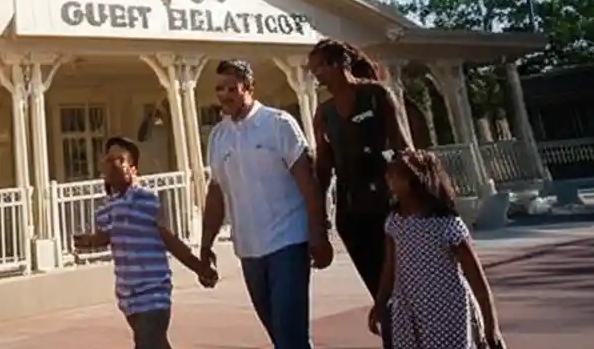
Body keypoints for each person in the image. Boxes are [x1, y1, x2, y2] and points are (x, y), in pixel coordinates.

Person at [199, 59, 332, 349]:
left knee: (289, 331)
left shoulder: (278, 124)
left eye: (231, 88)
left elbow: (307, 182)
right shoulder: (218, 137)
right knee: (278, 332)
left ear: (248, 88)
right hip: (249, 249)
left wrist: (319, 232)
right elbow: (216, 195)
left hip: (288, 240)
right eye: (219, 88)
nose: (224, 95)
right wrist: (205, 245)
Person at [308, 38, 413, 348]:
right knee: (379, 289)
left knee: (403, 284)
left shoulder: (376, 95)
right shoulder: (324, 113)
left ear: (339, 63)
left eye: (320, 67)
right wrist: (321, 223)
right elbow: (323, 169)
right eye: (313, 70)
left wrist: (416, 199)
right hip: (352, 213)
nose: (317, 76)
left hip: (388, 205)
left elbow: (404, 148)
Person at [74, 136, 217, 349]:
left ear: (133, 169)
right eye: (109, 159)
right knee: (155, 343)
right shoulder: (105, 209)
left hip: (154, 289)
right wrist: (89, 241)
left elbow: (169, 238)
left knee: (147, 341)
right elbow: (106, 236)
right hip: (128, 295)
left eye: (120, 159)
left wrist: (199, 267)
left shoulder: (147, 199)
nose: (113, 164)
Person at [371, 149, 504, 349]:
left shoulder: (445, 224)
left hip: (447, 310)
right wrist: (380, 303)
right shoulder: (395, 223)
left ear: (414, 180)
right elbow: (390, 268)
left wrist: (491, 325)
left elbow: (475, 275)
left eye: (395, 174)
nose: (388, 178)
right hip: (409, 309)